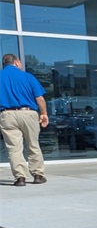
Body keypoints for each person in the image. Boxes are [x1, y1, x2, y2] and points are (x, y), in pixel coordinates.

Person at [0, 53, 49, 186]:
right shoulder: (27, 76)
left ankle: (20, 178)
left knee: (14, 148)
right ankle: (38, 175)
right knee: (33, 144)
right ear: (16, 62)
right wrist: (44, 114)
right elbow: (40, 98)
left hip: (7, 114)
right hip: (28, 113)